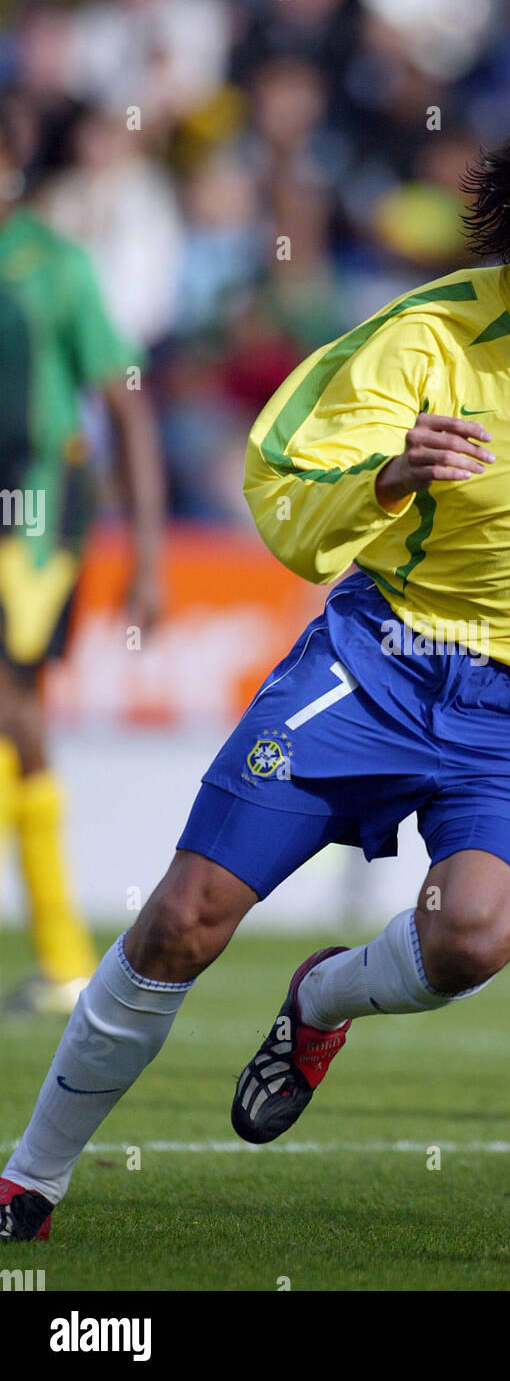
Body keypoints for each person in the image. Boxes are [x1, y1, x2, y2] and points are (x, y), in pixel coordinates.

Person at [1, 97, 510, 1243]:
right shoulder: (421, 342)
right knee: (184, 916)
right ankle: (29, 1179)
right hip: (377, 665)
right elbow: (285, 496)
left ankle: (320, 999)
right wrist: (385, 478)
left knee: (470, 933)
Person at [0, 95, 164, 1019]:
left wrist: (149, 556)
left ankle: (64, 954)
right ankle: (59, 954)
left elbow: (127, 403)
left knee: (9, 699)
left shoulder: (53, 267)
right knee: (14, 719)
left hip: (35, 522)